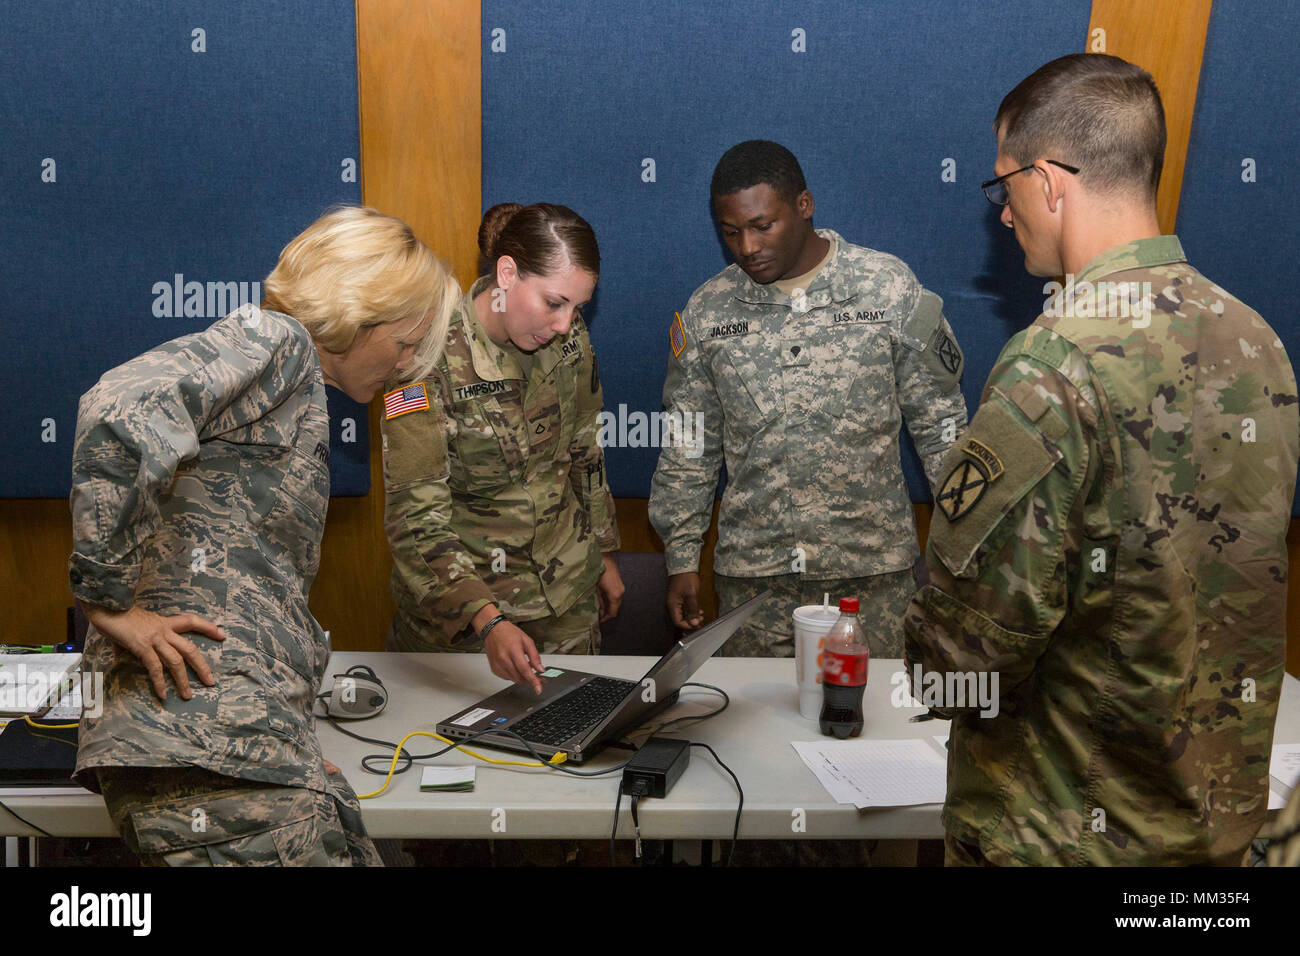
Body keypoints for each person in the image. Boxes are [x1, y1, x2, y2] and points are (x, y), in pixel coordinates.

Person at [904, 53, 1300, 866]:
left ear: (1049, 181)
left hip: (1058, 833)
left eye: (1002, 188)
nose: (1004, 216)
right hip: (1210, 834)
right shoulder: (1257, 340)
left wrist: (922, 661)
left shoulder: (1053, 362)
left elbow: (967, 645)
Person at [69, 205, 459, 866]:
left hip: (231, 741)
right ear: (360, 312)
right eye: (406, 340)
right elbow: (119, 406)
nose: (408, 363)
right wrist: (107, 604)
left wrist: (288, 753)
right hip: (201, 738)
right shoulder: (279, 344)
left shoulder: (290, 373)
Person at [649, 140, 967, 657]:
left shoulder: (886, 287)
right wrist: (682, 558)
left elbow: (942, 429)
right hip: (757, 581)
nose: (747, 247)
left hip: (872, 576)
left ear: (804, 205)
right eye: (731, 232)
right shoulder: (708, 310)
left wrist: (961, 552)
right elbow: (689, 446)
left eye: (762, 225)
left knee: (876, 724)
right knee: (751, 731)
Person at [383, 202, 623, 692]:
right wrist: (486, 619)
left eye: (578, 307)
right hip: (463, 622)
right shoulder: (424, 358)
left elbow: (584, 448)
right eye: (555, 302)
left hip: (565, 601)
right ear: (507, 274)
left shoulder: (568, 337)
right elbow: (417, 519)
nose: (565, 323)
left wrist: (602, 549)